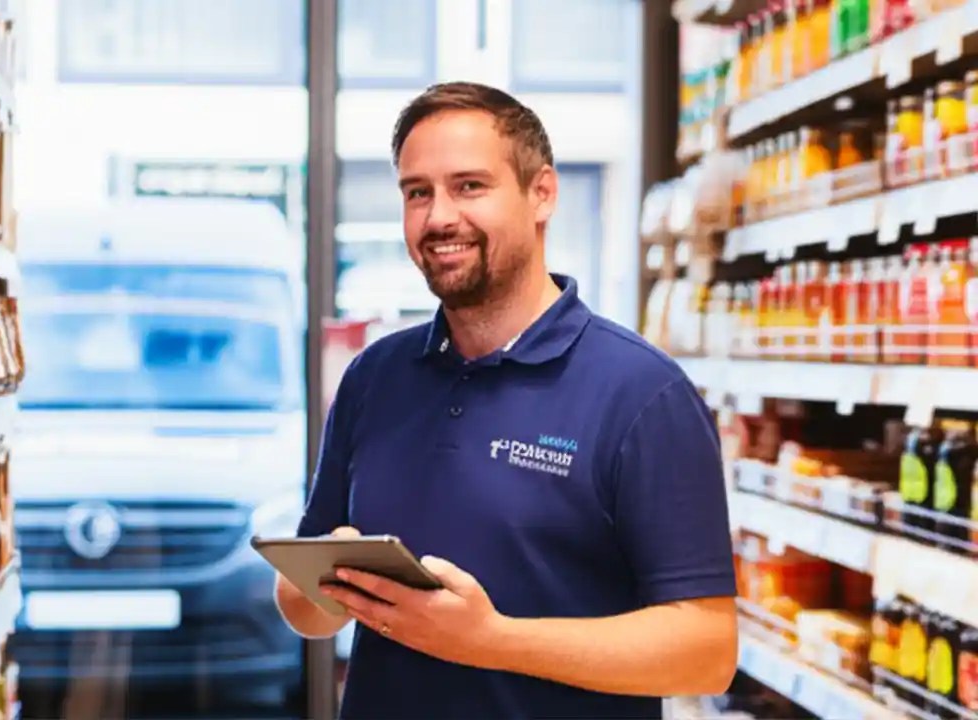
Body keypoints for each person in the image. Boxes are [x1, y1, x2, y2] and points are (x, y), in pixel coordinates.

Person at [273, 81, 738, 719]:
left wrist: (493, 641)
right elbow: (305, 611)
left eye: (469, 186)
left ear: (541, 193)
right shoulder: (374, 377)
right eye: (418, 192)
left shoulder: (642, 393)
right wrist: (326, 590)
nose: (439, 217)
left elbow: (705, 651)